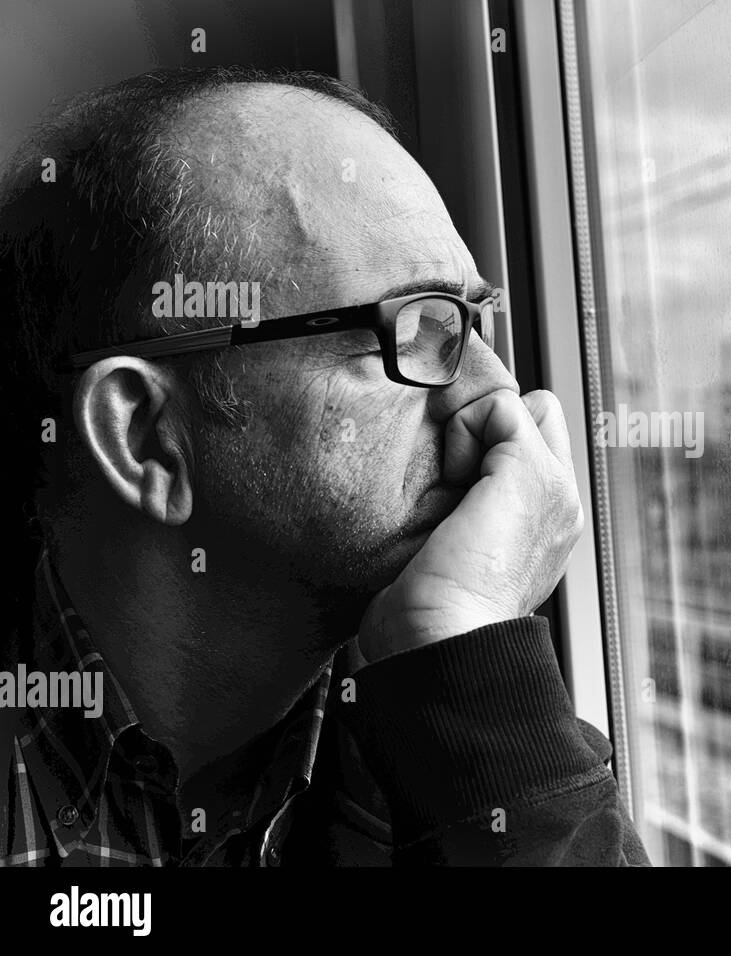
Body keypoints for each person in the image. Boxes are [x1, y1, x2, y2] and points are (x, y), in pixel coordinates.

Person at [0, 67, 650, 867]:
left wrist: (474, 672)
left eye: (473, 321)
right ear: (146, 437)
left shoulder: (433, 721)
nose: (501, 396)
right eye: (413, 329)